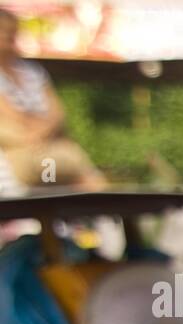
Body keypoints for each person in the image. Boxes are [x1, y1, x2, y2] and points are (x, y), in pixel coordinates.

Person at [0, 8, 106, 190]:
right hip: (15, 156)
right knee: (47, 174)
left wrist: (40, 132)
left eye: (12, 32)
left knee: (74, 172)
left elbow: (57, 113)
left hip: (45, 149)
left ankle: (108, 213)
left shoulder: (31, 71)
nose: (9, 37)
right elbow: (11, 118)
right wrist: (33, 131)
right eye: (4, 32)